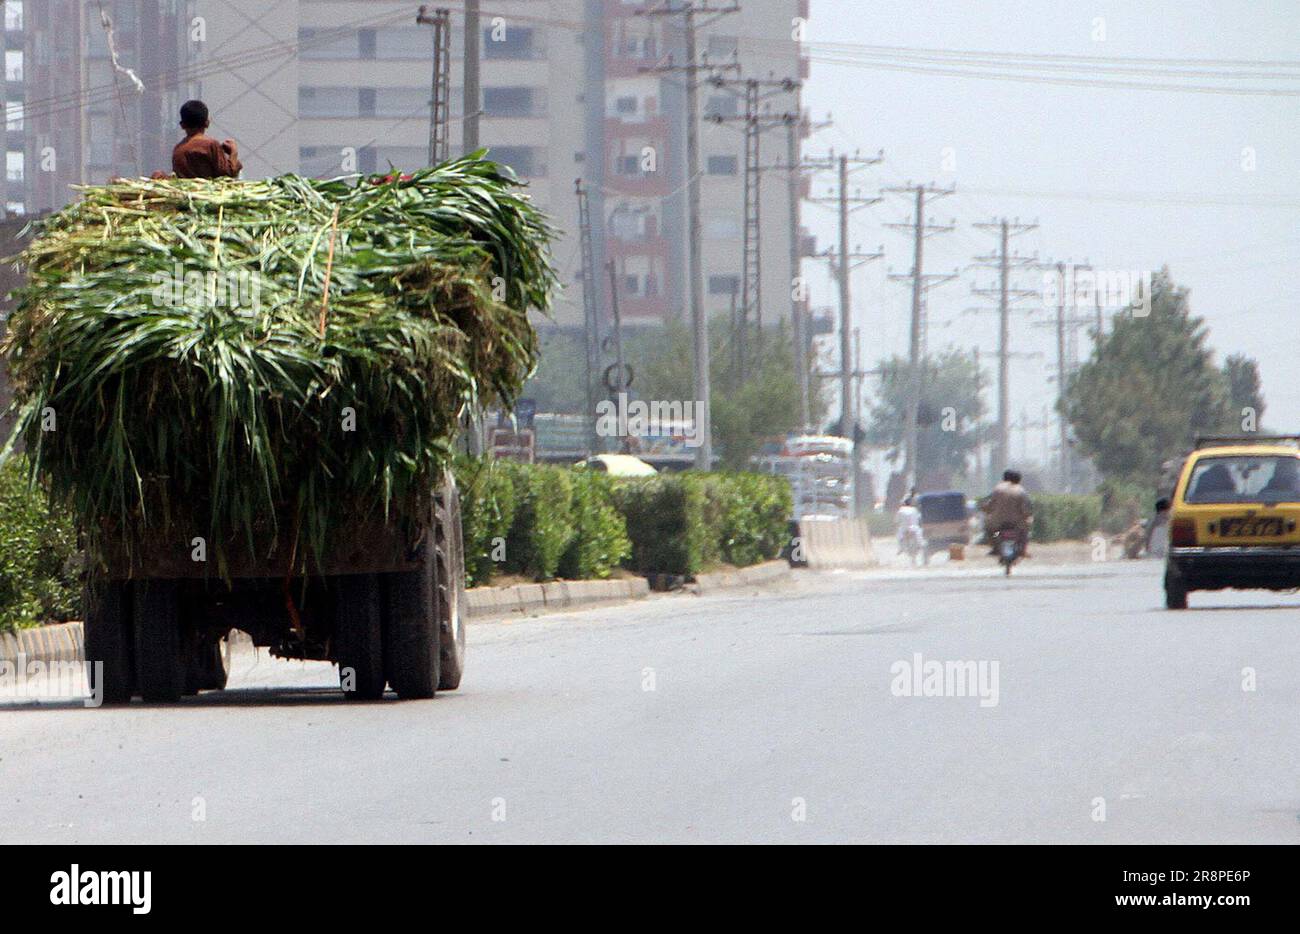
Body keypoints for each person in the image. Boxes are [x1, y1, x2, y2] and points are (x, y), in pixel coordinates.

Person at [171, 100, 243, 179]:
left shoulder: (178, 149)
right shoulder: (210, 145)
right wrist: (234, 153)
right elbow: (227, 174)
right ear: (207, 123)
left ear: (182, 125)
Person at [981, 469, 1033, 558]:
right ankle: (1023, 550)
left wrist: (986, 510)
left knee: (992, 532)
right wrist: (1027, 517)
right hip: (1017, 525)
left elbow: (988, 505)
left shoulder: (998, 489)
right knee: (1025, 532)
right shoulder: (1021, 490)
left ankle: (995, 548)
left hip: (998, 525)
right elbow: (1026, 510)